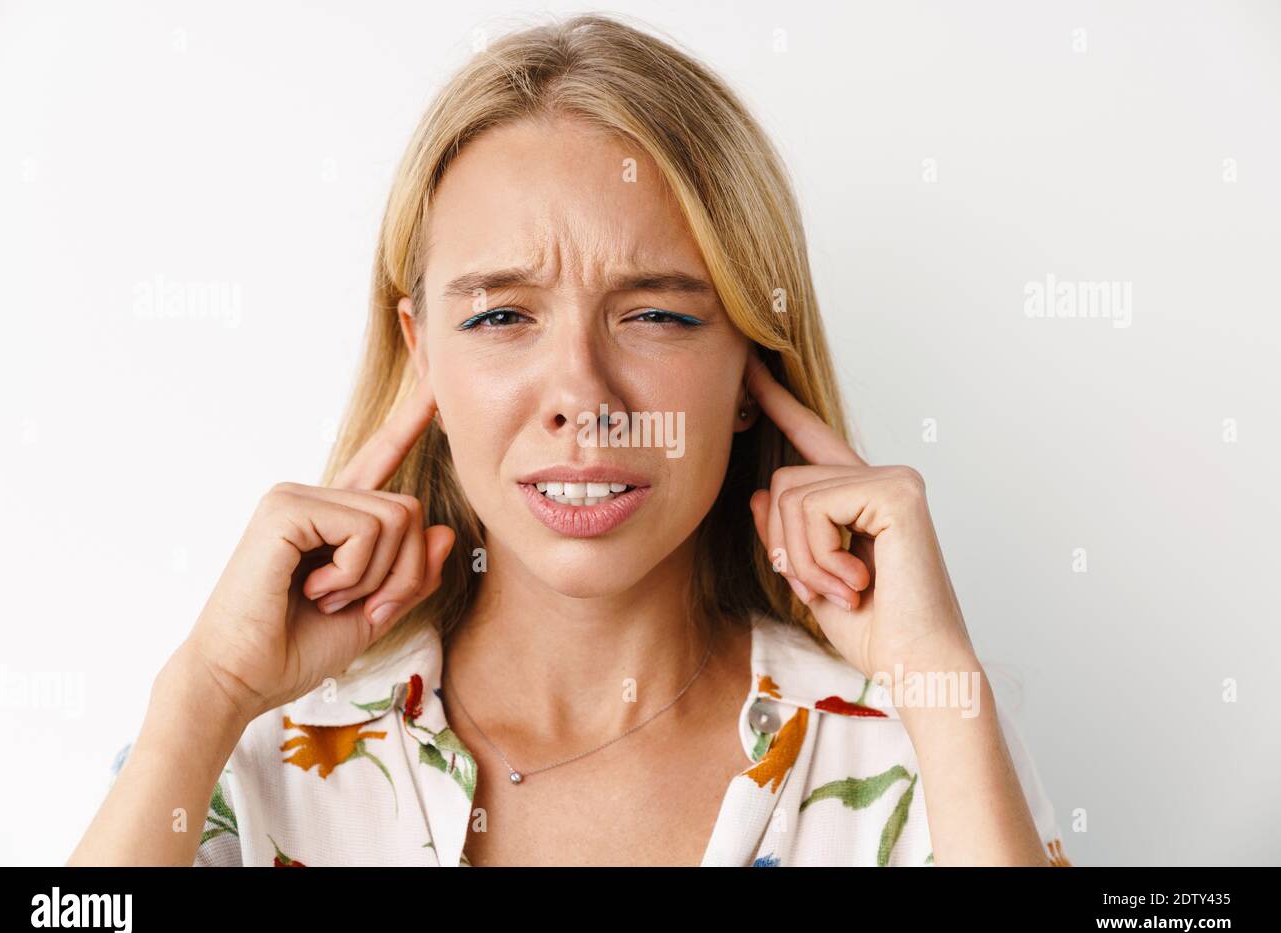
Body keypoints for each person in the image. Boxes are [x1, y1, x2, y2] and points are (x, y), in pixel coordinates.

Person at [68, 12, 1071, 867]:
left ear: (747, 373)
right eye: (501, 317)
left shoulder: (919, 742)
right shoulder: (254, 752)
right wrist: (202, 692)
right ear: (423, 362)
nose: (582, 397)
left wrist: (942, 684)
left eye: (658, 316)